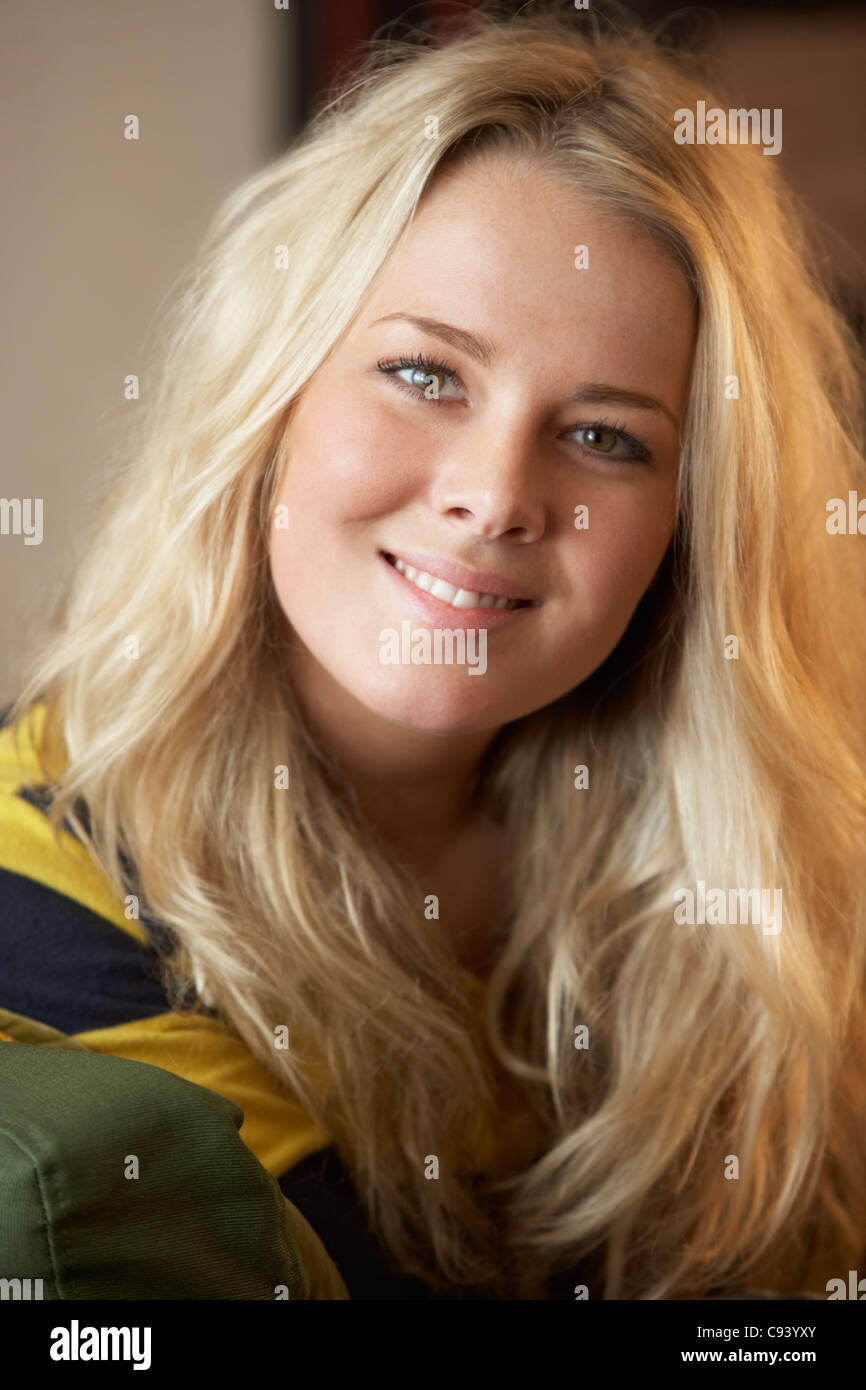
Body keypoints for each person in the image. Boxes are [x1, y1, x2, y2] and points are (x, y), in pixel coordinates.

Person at [1, 0, 864, 1300]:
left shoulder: (766, 892)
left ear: (690, 530)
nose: (494, 492)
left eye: (606, 437)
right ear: (269, 396)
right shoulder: (41, 918)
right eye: (425, 374)